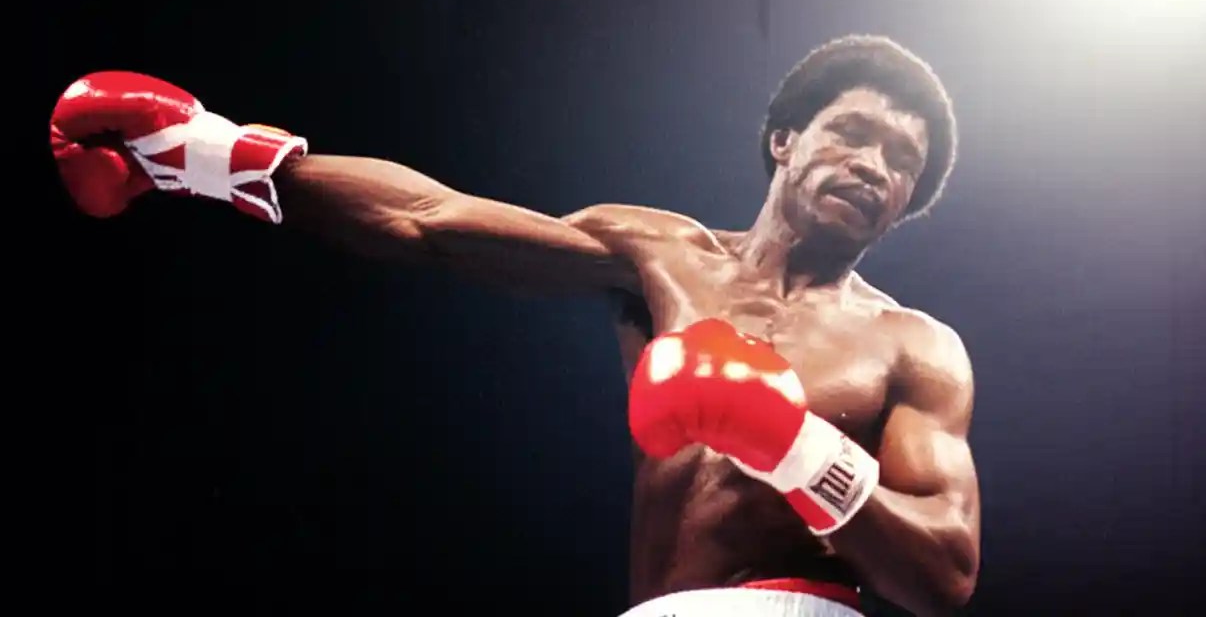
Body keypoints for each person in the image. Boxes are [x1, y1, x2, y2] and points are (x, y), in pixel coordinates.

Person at [49, 34, 980, 617]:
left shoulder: (913, 346)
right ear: (786, 141)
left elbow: (945, 573)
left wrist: (790, 443)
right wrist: (201, 151)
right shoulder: (662, 254)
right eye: (854, 132)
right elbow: (433, 221)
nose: (874, 165)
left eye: (903, 161)